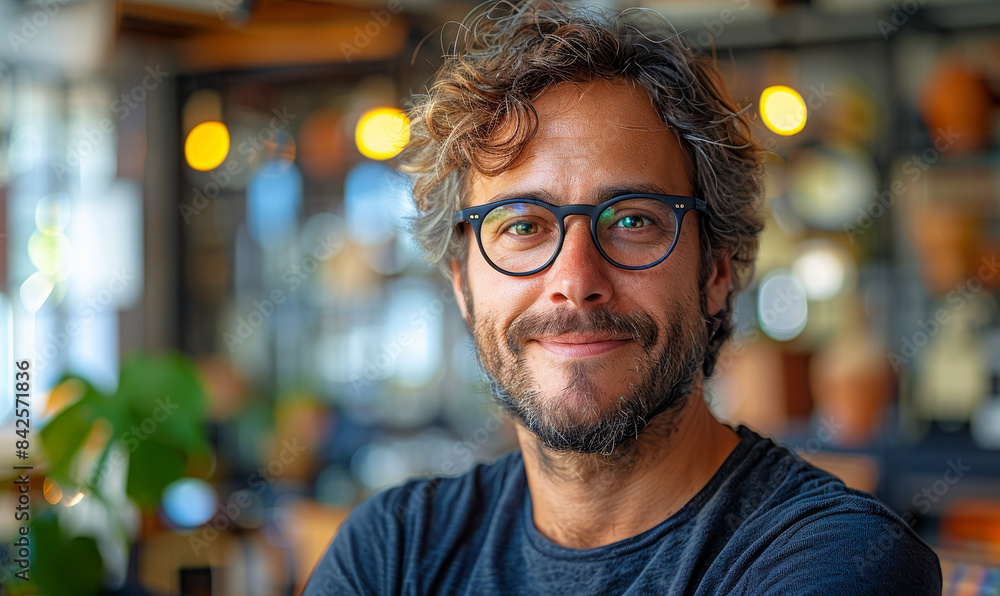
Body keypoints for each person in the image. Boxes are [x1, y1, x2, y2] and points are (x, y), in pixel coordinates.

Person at [304, 2, 942, 594]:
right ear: (462, 283)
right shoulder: (391, 551)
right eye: (522, 225)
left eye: (634, 220)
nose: (575, 278)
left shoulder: (834, 559)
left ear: (716, 269)